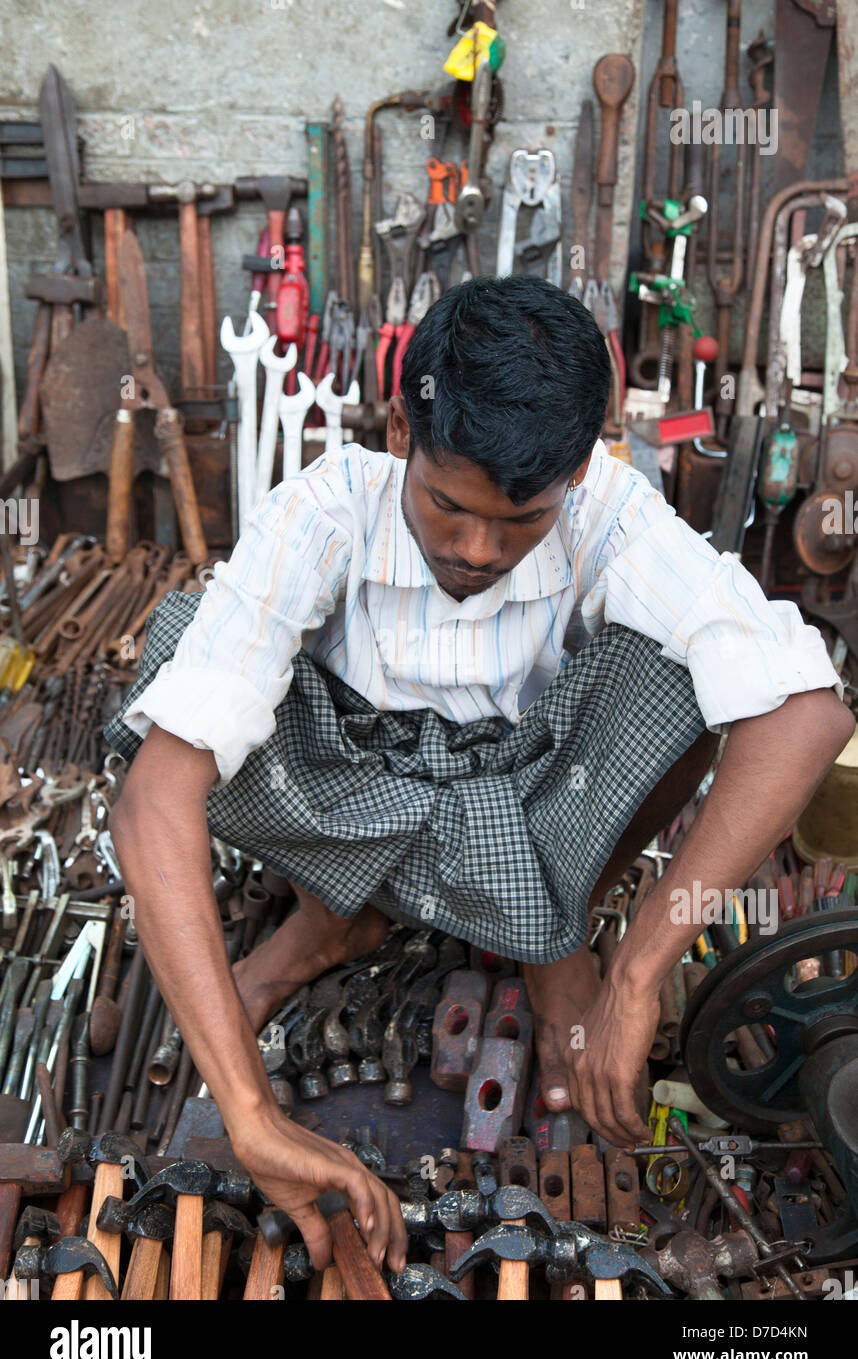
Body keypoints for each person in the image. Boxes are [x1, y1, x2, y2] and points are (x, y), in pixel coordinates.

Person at [106, 275, 854, 1274]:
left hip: (520, 795)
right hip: (346, 790)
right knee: (184, 674)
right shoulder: (323, 513)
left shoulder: (611, 511)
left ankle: (559, 937)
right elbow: (153, 798)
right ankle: (332, 919)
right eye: (448, 506)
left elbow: (807, 712)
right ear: (398, 428)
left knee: (699, 677)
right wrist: (250, 1113)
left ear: (579, 470)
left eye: (518, 522)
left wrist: (637, 971)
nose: (474, 550)